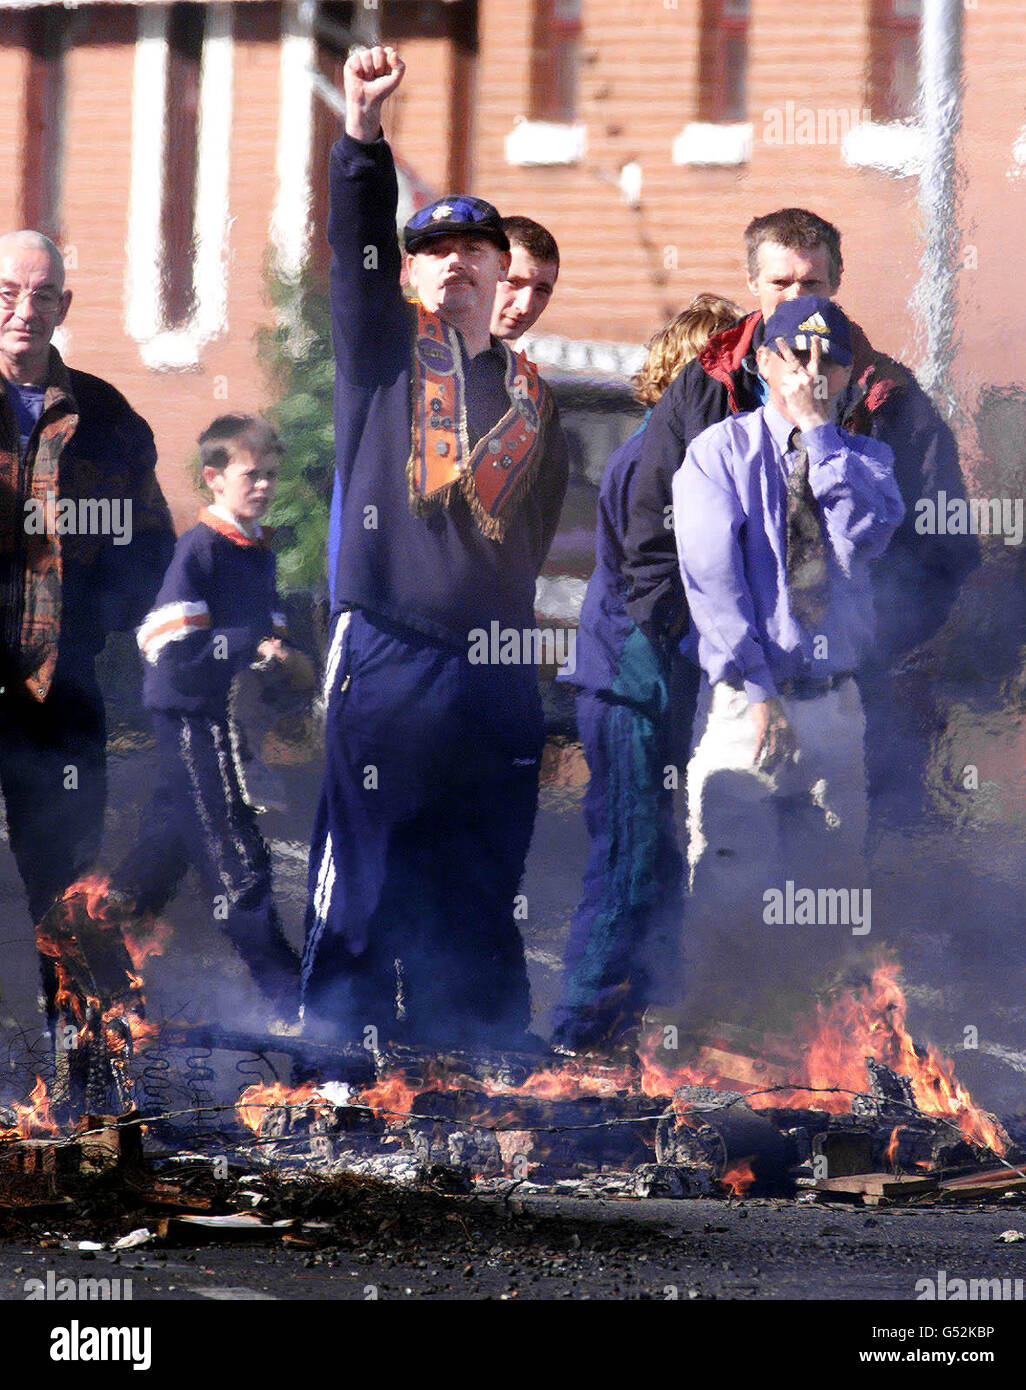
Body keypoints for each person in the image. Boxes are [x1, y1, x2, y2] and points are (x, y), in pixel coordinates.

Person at [302, 47, 569, 1051]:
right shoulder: (381, 356)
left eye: (479, 250)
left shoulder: (543, 408)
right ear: (411, 273)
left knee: (481, 875)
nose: (458, 262)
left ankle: (480, 1062)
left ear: (505, 274)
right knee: (365, 871)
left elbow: (528, 555)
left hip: (492, 668)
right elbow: (354, 240)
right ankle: (334, 1062)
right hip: (390, 652)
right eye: (437, 251)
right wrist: (363, 135)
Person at [623, 209, 979, 831]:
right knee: (726, 877)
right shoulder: (705, 387)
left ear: (836, 283)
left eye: (811, 284)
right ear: (752, 282)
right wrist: (714, 654)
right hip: (730, 685)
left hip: (847, 686)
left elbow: (940, 545)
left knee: (835, 875)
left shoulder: (887, 395)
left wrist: (870, 645)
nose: (795, 297)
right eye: (780, 283)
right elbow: (654, 537)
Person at [672, 298, 905, 1021]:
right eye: (794, 356)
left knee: (829, 888)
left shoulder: (867, 459)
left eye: (827, 360)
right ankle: (716, 1038)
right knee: (729, 878)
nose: (811, 372)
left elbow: (862, 535)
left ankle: (810, 1046)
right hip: (751, 701)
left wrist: (820, 437)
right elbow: (713, 582)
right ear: (763, 362)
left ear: (847, 374)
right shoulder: (718, 453)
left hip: (832, 702)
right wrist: (759, 686)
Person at [551, 295, 741, 1055]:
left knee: (659, 862)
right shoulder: (650, 457)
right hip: (629, 682)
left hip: (654, 682)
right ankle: (576, 1033)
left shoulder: (693, 453)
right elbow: (652, 574)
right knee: (629, 860)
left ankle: (631, 1028)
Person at [0, 229, 174, 1018]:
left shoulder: (106, 418)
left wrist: (111, 633)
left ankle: (82, 1087)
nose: (24, 312)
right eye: (8, 293)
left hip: (60, 697)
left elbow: (154, 553)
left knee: (68, 896)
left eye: (42, 296)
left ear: (63, 305)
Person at [106, 415, 308, 1020]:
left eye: (273, 475)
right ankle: (294, 1002)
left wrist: (285, 668)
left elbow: (268, 642)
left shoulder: (257, 552)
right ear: (214, 479)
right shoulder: (200, 549)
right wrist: (248, 647)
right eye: (253, 475)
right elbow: (167, 642)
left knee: (169, 838)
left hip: (229, 719)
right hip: (193, 717)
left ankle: (97, 929)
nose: (266, 486)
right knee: (235, 860)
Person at [326, 213, 560, 601]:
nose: (525, 304)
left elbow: (538, 528)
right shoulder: (403, 356)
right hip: (386, 611)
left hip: (481, 624)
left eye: (542, 290)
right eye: (515, 283)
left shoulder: (533, 398)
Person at [490, 216, 560, 342]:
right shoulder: (444, 355)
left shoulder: (507, 359)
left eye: (541, 291)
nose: (525, 307)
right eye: (513, 282)